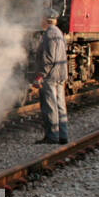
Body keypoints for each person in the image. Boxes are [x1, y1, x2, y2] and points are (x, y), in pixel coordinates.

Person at [30, 8, 69, 144]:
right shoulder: (58, 33)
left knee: (50, 106)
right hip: (60, 74)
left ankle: (52, 136)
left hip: (51, 76)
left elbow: (49, 58)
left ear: (46, 20)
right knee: (60, 105)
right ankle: (63, 136)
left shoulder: (49, 34)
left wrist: (40, 75)